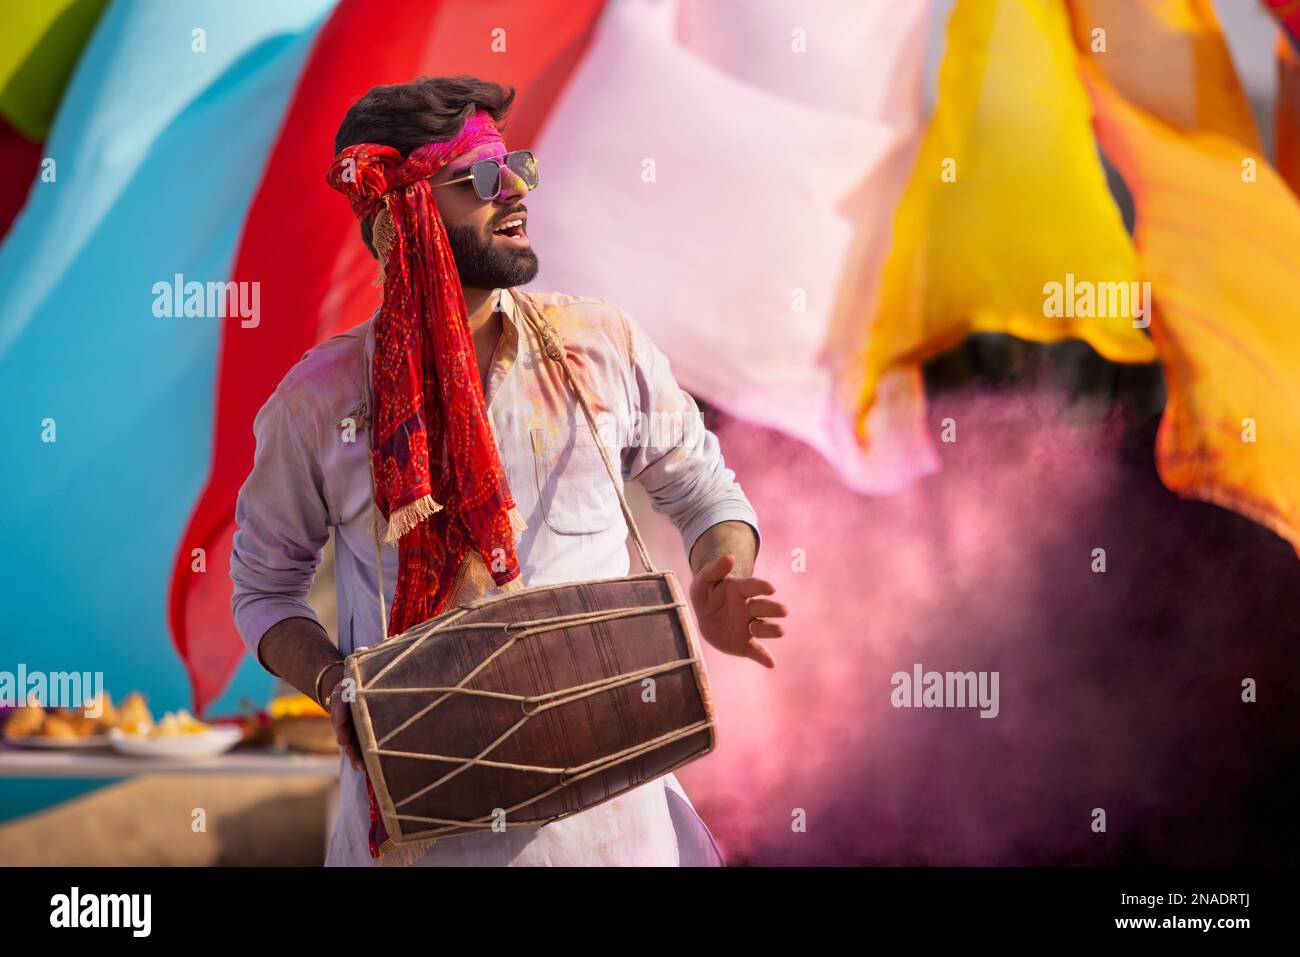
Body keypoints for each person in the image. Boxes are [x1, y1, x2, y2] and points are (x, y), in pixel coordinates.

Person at [230, 75, 787, 866]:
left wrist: (721, 567)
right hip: (424, 841)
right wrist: (335, 685)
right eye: (483, 180)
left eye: (517, 166)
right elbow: (263, 590)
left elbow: (703, 492)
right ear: (406, 217)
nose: (516, 192)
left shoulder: (604, 345)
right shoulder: (317, 403)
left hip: (621, 839)